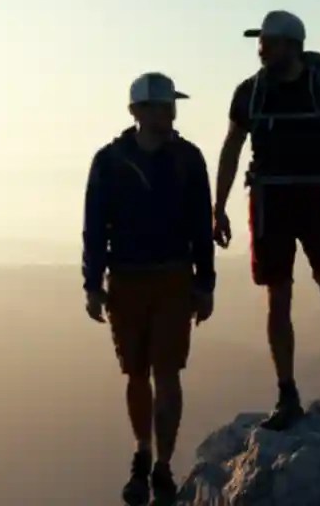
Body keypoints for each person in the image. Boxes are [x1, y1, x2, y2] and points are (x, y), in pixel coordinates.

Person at [212, 10, 320, 431]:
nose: (260, 49)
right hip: (271, 202)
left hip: (311, 198)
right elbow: (231, 149)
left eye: (267, 42)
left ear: (292, 45)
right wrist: (218, 207)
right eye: (260, 42)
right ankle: (287, 394)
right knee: (278, 297)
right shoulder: (250, 92)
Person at [82, 72, 215, 505]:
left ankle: (161, 466)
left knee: (167, 372)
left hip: (173, 277)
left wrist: (205, 282)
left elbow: (202, 223)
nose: (170, 112)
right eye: (161, 105)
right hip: (126, 278)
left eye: (170, 104)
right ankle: (143, 455)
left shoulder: (188, 159)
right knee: (137, 373)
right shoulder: (109, 161)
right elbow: (94, 226)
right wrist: (92, 283)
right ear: (137, 111)